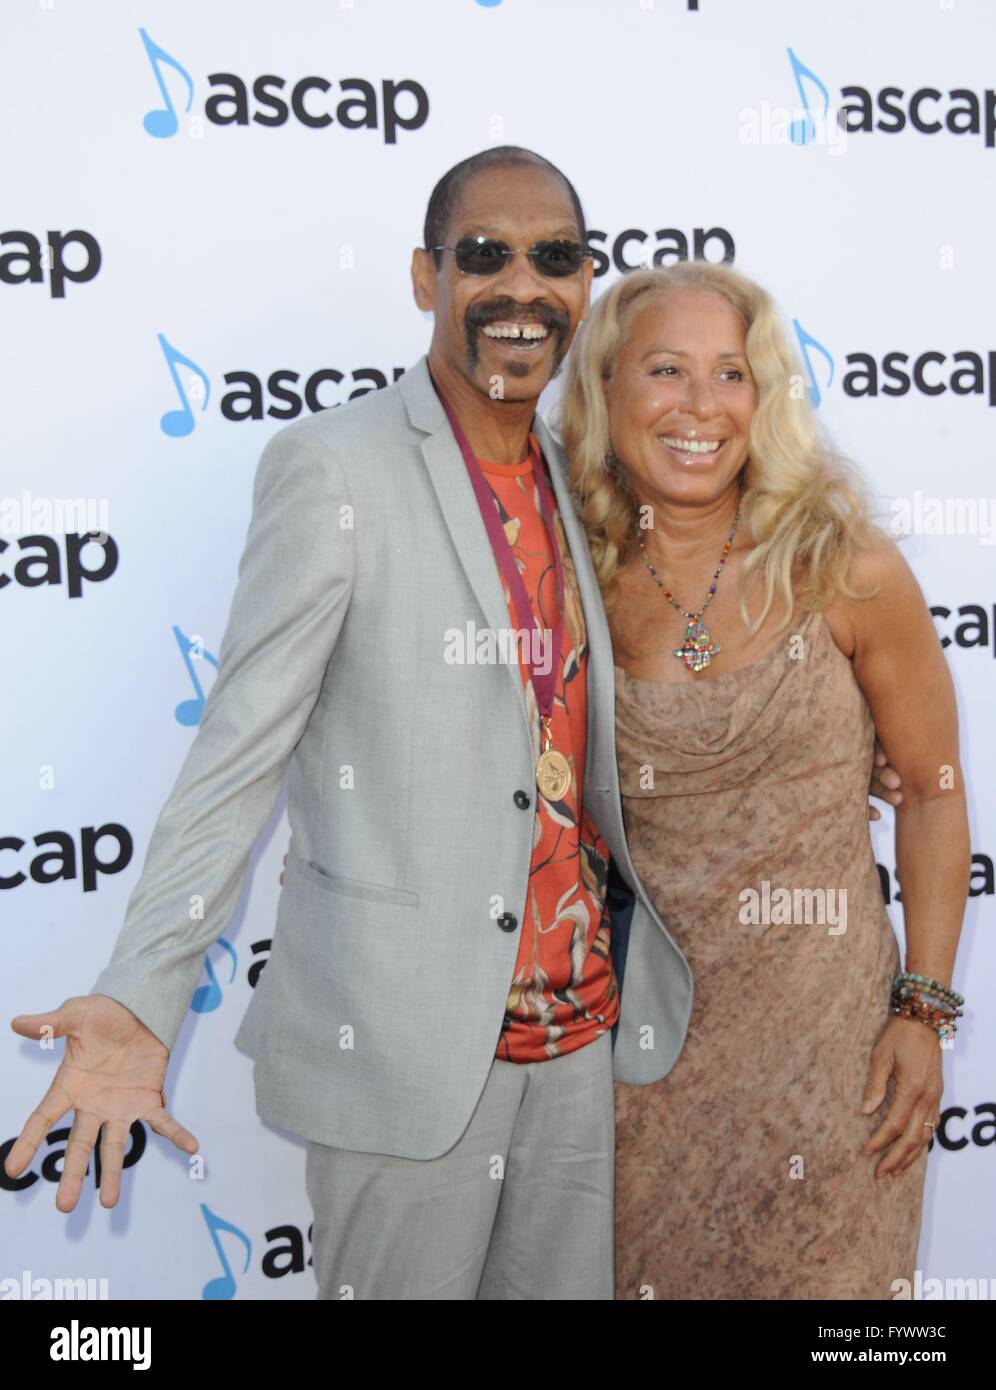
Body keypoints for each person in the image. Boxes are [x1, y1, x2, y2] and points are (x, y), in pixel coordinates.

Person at [5, 148, 903, 1302]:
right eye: (484, 255)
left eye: (555, 258)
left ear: (586, 285)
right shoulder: (335, 466)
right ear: (426, 278)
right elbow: (237, 755)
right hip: (406, 1047)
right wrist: (141, 997)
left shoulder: (586, 486)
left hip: (581, 1047)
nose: (521, 286)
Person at [559, 261, 970, 1300]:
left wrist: (921, 1013)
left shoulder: (847, 566)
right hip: (633, 1070)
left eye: (732, 374)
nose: (703, 406)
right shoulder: (565, 580)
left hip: (837, 1065)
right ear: (606, 392)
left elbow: (931, 789)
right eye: (665, 370)